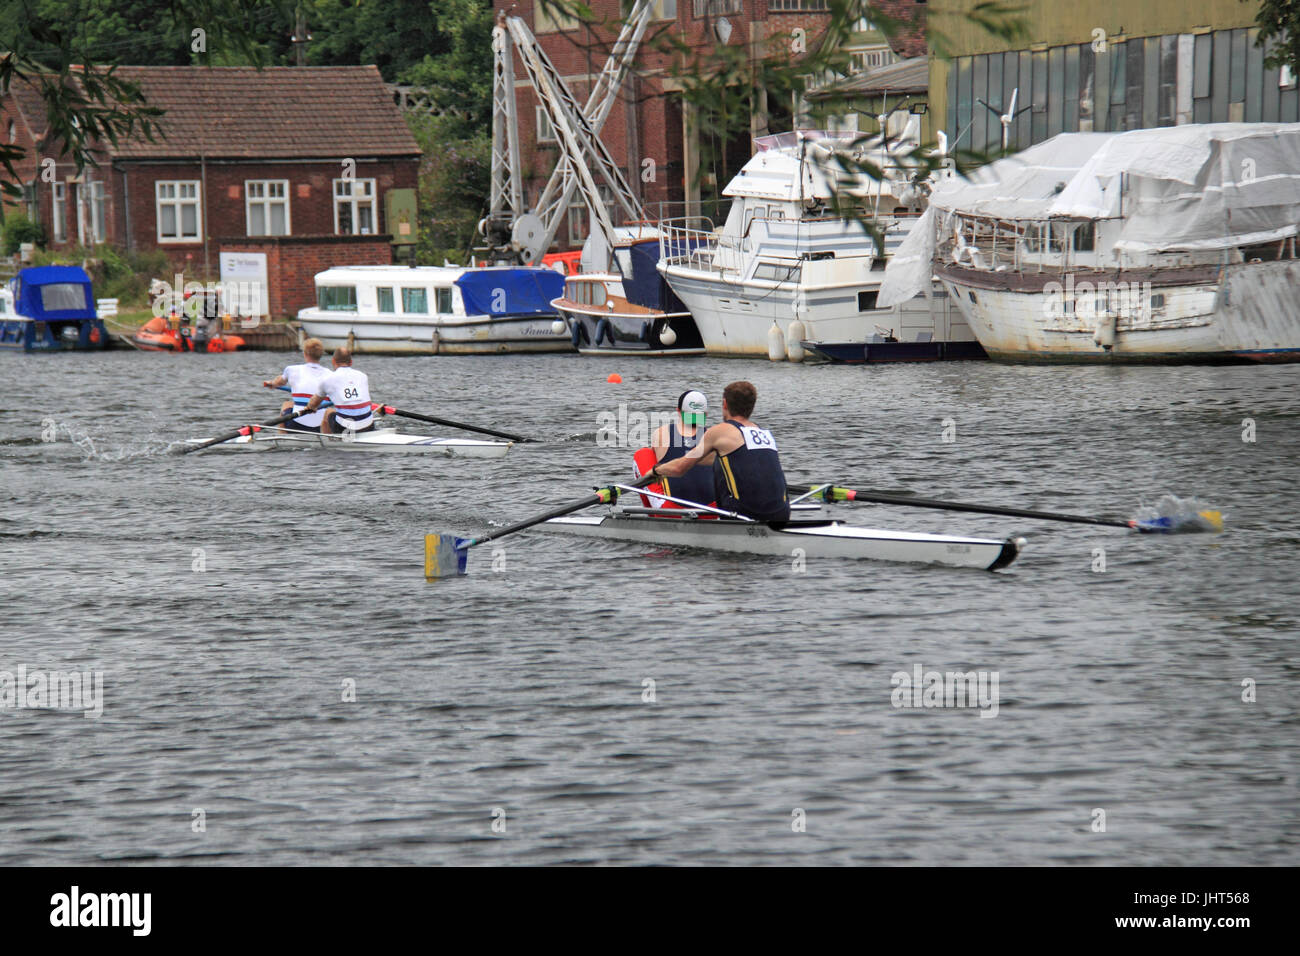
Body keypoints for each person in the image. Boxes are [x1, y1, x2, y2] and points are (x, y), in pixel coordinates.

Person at [650, 380, 789, 524]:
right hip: (782, 513)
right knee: (723, 460)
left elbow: (680, 468)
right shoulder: (765, 433)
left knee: (643, 455)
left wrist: (656, 471)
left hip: (742, 515)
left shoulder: (719, 431)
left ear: (724, 404)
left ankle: (655, 522)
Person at [634, 389, 715, 509]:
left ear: (678, 411)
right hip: (712, 511)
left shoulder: (662, 433)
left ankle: (652, 515)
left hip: (672, 510)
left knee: (643, 454)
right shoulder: (714, 436)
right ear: (705, 414)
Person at [301, 346, 376, 434]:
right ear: (351, 362)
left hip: (346, 429)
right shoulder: (363, 376)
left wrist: (310, 408)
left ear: (333, 361)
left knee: (328, 412)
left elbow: (314, 403)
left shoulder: (327, 379)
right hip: (369, 426)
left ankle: (329, 443)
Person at [261, 338, 331, 433]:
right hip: (320, 426)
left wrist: (272, 384)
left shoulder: (292, 370)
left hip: (296, 424)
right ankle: (328, 438)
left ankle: (282, 438)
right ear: (321, 355)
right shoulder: (331, 374)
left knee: (287, 404)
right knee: (330, 410)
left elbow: (279, 382)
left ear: (305, 354)